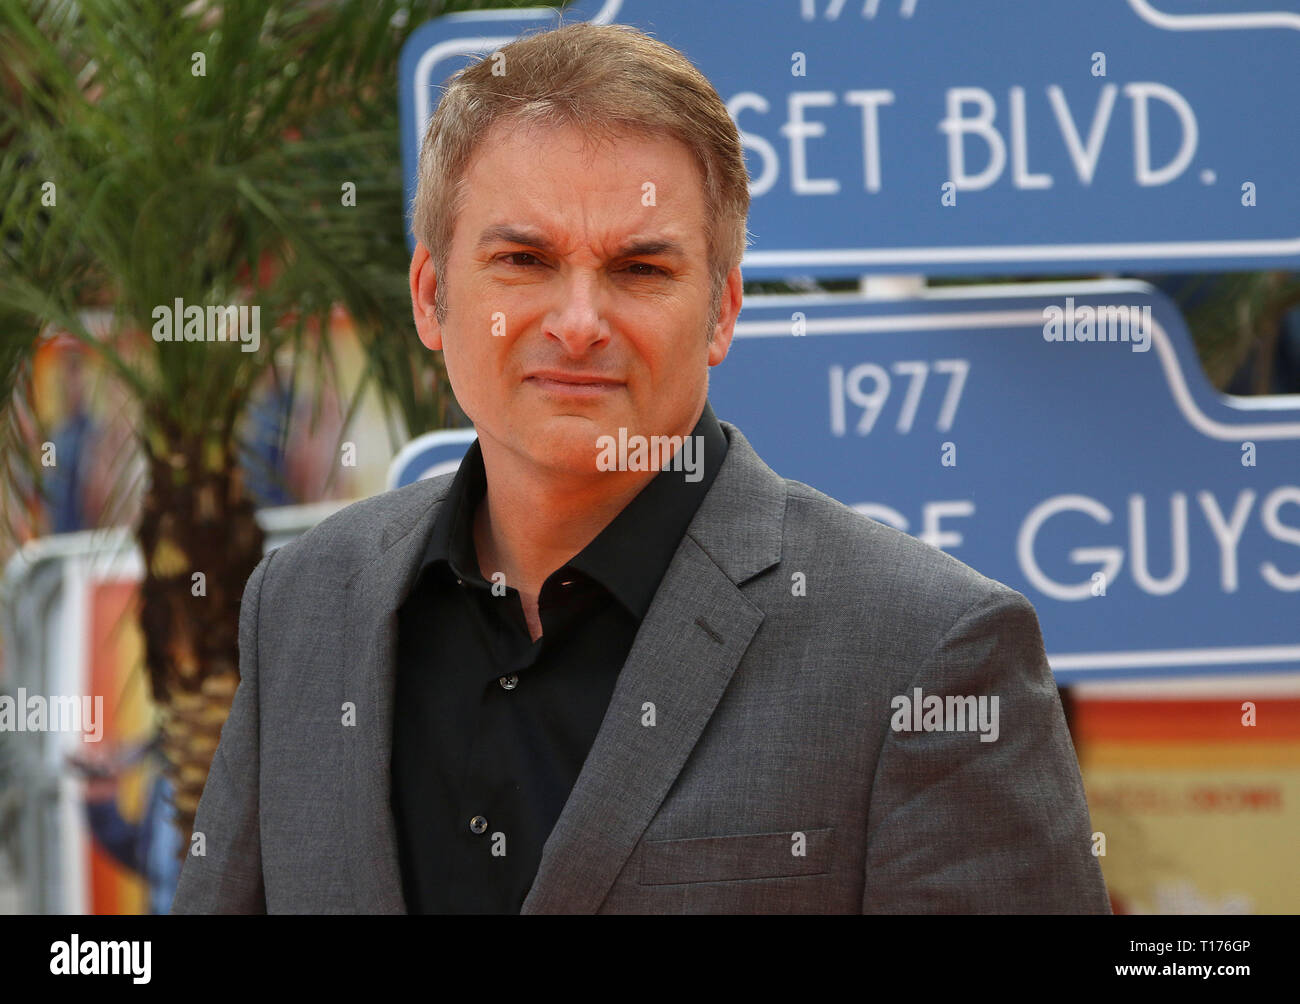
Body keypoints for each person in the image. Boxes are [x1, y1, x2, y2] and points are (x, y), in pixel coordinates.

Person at [172, 22, 1109, 914]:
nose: (579, 322)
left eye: (640, 270)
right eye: (525, 258)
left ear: (722, 312)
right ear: (432, 295)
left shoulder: (928, 653)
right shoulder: (300, 608)